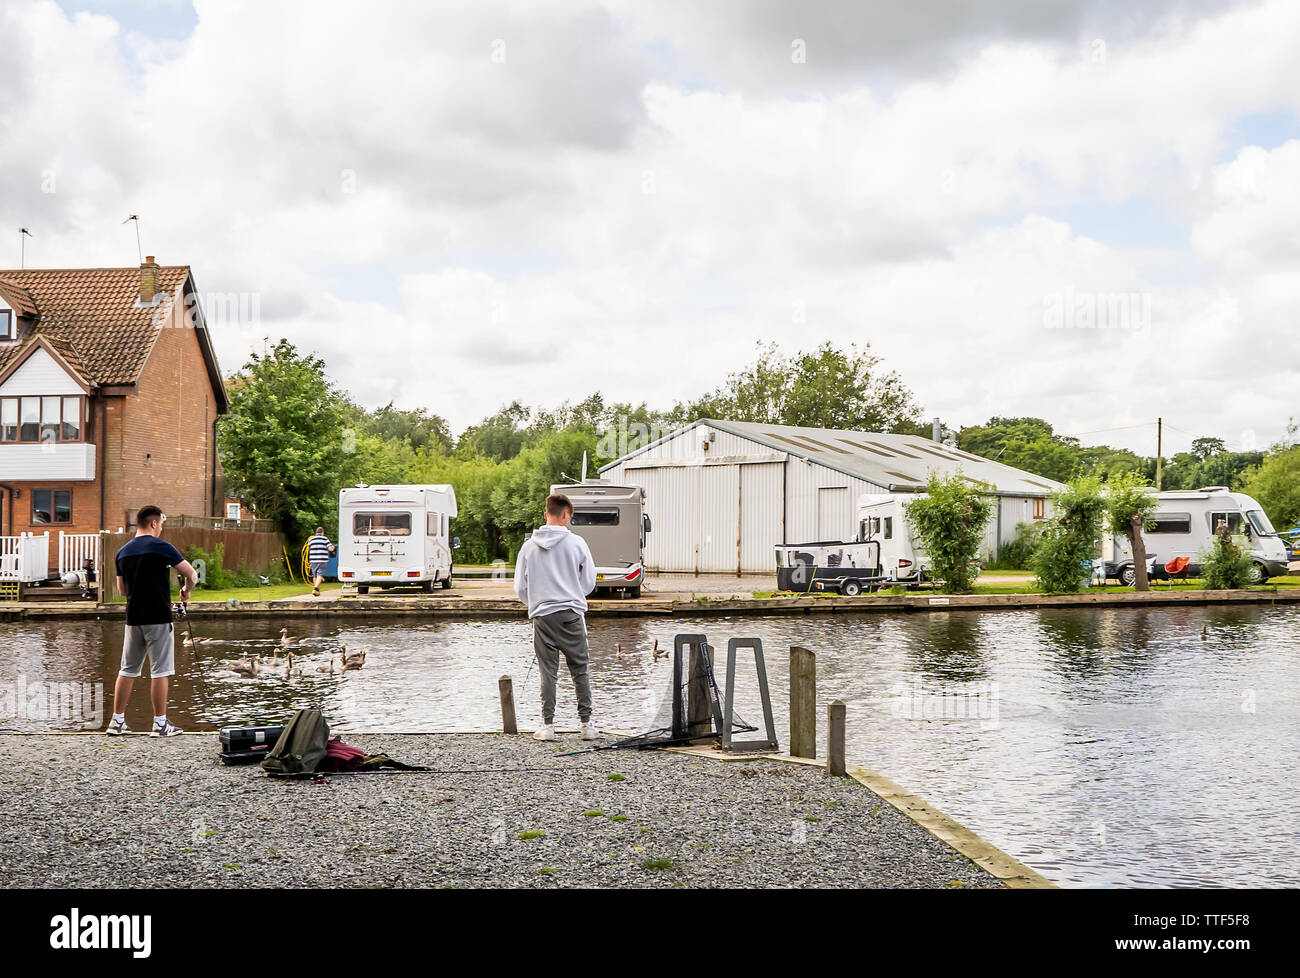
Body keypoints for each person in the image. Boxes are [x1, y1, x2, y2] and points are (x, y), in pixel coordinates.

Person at [107, 506, 199, 737]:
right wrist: (186, 591)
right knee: (160, 670)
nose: (161, 528)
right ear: (154, 524)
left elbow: (121, 590)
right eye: (161, 524)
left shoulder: (122, 552)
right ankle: (160, 724)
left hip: (133, 618)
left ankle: (116, 722)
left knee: (127, 669)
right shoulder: (162, 547)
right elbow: (192, 575)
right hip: (158, 617)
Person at [514, 493, 599, 742]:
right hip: (571, 614)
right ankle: (587, 726)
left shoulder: (529, 546)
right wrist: (573, 595)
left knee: (547, 672)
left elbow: (520, 585)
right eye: (570, 516)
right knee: (580, 670)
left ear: (545, 514)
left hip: (542, 616)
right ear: (565, 514)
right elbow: (589, 581)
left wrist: (536, 603)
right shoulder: (577, 543)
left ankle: (548, 726)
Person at [307, 525, 335, 597]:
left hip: (313, 560)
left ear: (316, 533)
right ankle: (316, 588)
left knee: (315, 575)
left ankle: (316, 591)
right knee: (320, 574)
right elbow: (330, 549)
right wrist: (333, 547)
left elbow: (308, 547)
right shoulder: (325, 539)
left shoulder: (311, 539)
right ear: (322, 532)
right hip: (322, 560)